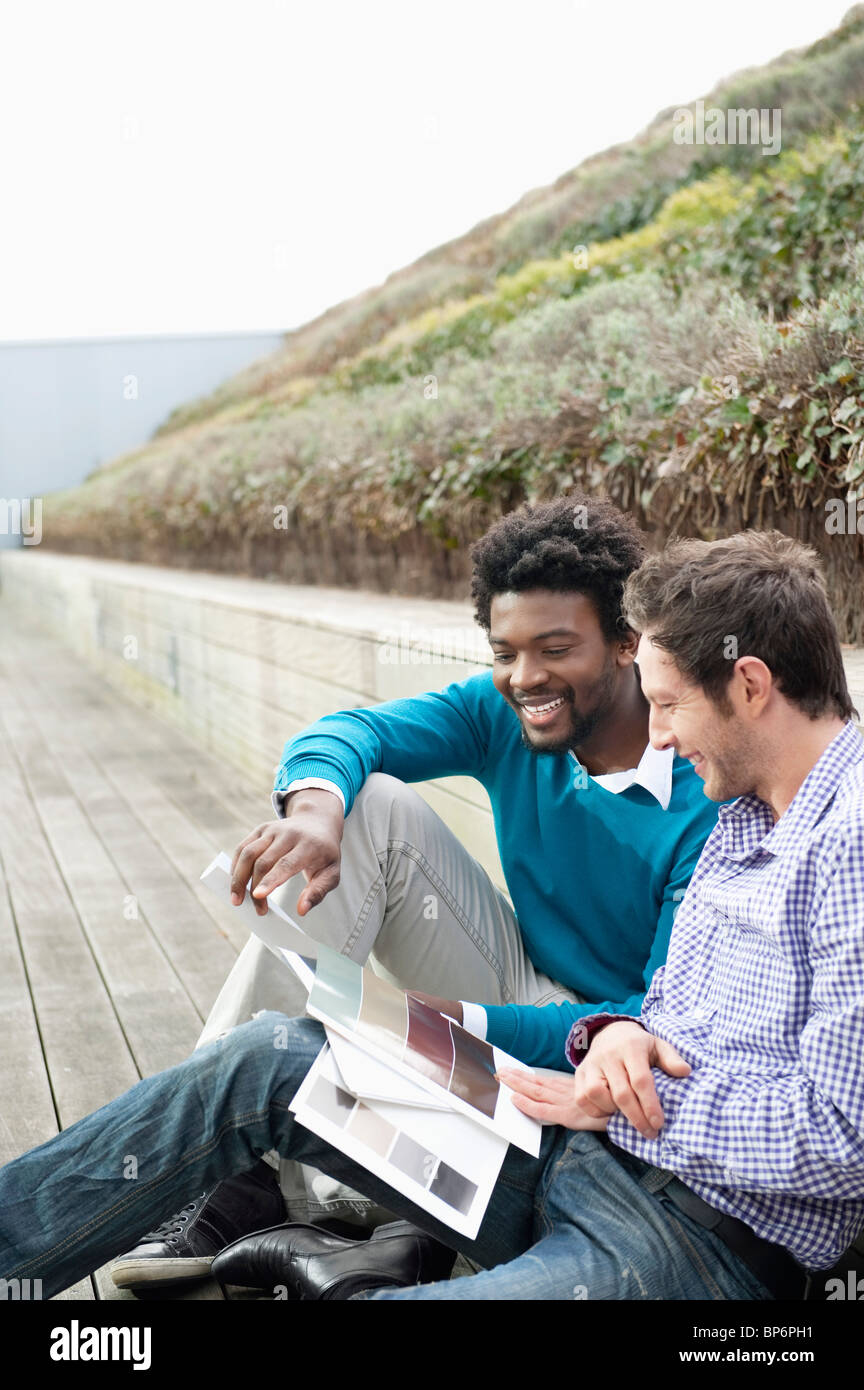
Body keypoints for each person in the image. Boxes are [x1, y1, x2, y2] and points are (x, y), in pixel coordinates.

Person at [1, 529, 860, 1301]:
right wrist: (611, 1040)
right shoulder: (752, 809)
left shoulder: (823, 839)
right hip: (573, 1127)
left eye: (669, 703)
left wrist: (608, 1086)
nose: (663, 736)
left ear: (744, 683)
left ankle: (357, 1248)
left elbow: (841, 1135)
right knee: (262, 1054)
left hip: (682, 1227)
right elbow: (670, 1015)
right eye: (506, 650)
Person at [110, 493, 719, 1290]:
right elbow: (347, 733)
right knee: (373, 806)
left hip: (611, 1049)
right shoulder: (506, 714)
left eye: (556, 648)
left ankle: (306, 1185)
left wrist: (449, 1023)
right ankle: (230, 1173)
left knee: (395, 1064)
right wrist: (318, 810)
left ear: (625, 645)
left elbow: (655, 1015)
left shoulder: (705, 792)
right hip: (520, 977)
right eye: (505, 650)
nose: (525, 677)